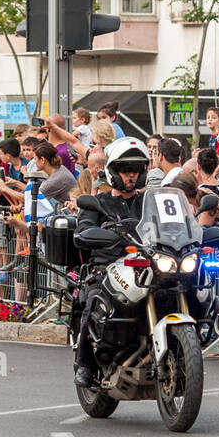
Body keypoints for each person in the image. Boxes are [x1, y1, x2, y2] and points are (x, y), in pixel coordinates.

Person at [72, 137, 149, 387]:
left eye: (136, 170)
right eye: (126, 170)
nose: (131, 176)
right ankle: (84, 363)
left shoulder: (149, 203)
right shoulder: (98, 203)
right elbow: (82, 231)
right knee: (94, 301)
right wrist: (100, 236)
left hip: (148, 268)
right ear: (113, 172)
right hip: (107, 268)